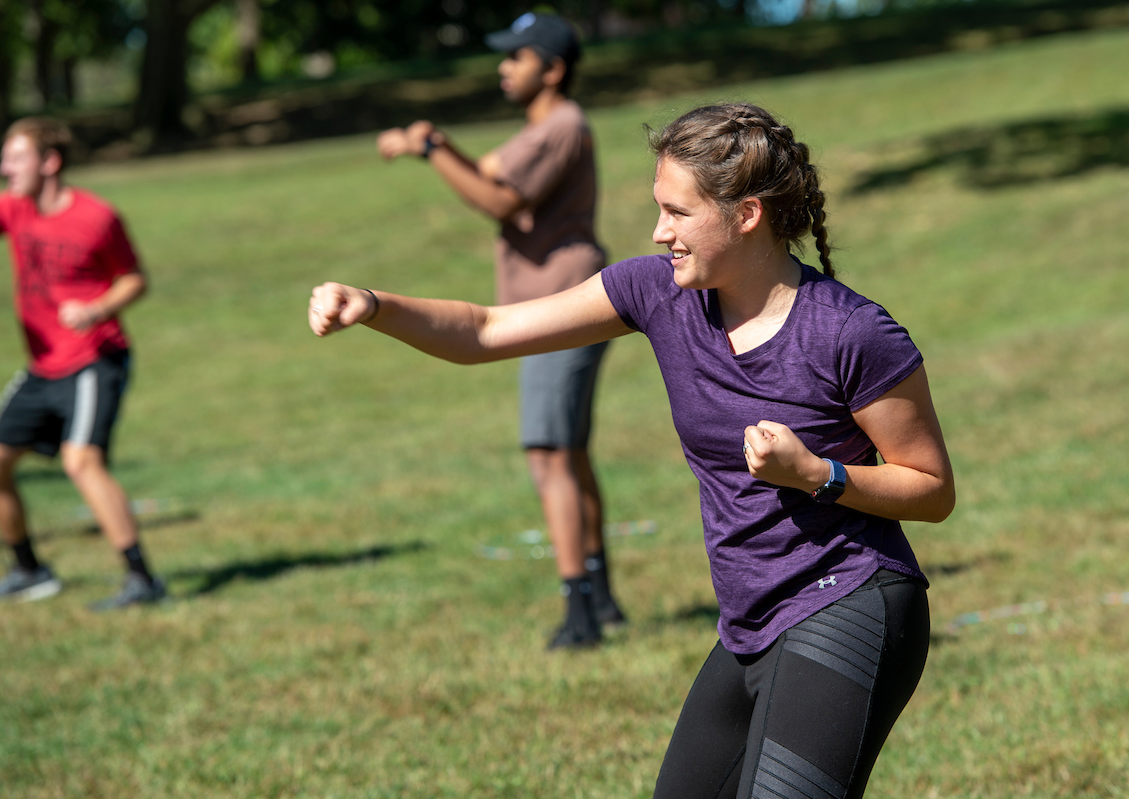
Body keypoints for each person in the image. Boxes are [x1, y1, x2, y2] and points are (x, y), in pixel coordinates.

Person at [311, 102, 954, 797]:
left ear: (746, 215)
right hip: (750, 620)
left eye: (678, 213)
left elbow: (931, 486)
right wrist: (374, 305)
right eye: (659, 208)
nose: (659, 232)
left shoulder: (850, 332)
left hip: (851, 599)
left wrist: (815, 473)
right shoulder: (660, 295)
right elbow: (487, 330)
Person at [375, 12, 625, 649]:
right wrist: (435, 145)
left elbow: (497, 200)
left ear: (553, 68)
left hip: (557, 307)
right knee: (566, 450)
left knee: (547, 455)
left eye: (517, 56)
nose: (504, 66)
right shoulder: (543, 129)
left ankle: (579, 612)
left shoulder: (562, 126)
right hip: (553, 305)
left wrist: (432, 150)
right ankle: (600, 594)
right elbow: (491, 173)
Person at [0, 117, 165, 610]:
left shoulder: (96, 217)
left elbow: (134, 278)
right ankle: (29, 570)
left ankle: (142, 580)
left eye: (16, 158)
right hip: (44, 364)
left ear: (49, 162)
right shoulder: (14, 208)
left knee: (81, 461)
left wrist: (97, 309)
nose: (4, 168)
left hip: (95, 358)